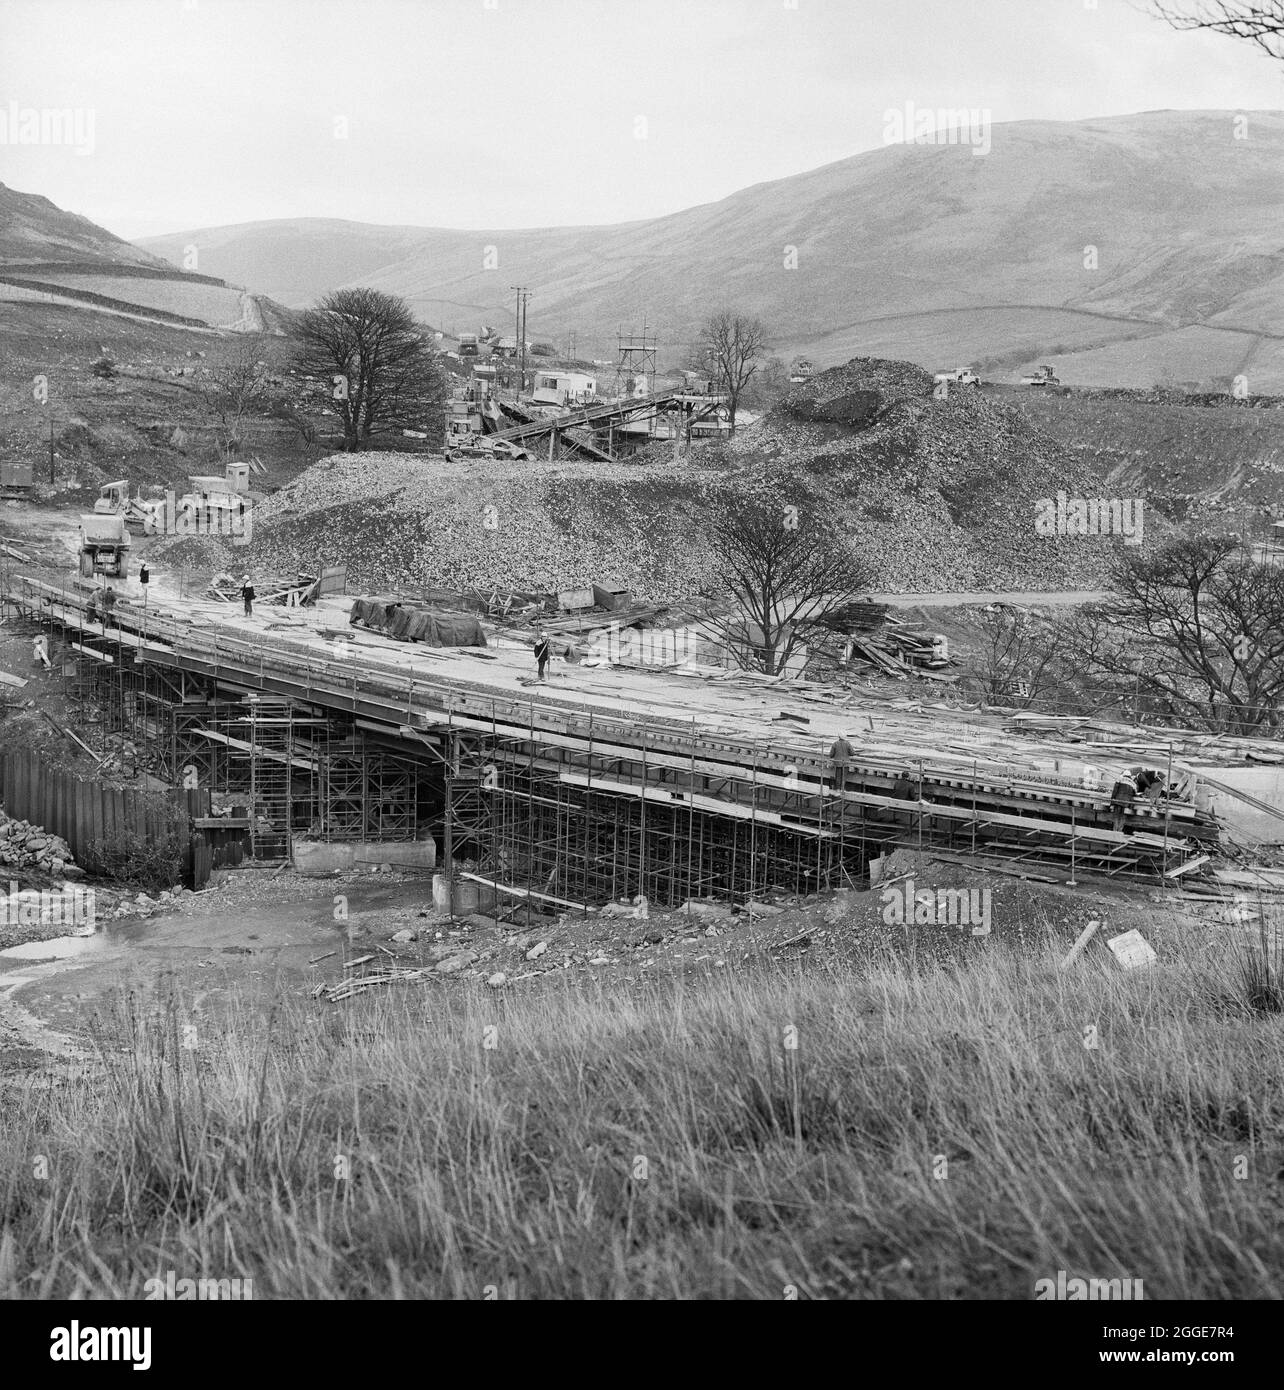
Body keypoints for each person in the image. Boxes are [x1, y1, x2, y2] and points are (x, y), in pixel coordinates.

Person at [1110, 766, 1165, 834]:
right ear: (1130, 776)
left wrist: (1112, 803)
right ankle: (1119, 831)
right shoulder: (1133, 784)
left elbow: (1114, 791)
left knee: (1116, 816)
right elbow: (1133, 794)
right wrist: (1131, 806)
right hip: (1125, 803)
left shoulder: (1120, 779)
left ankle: (1114, 831)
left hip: (1118, 801)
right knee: (1122, 817)